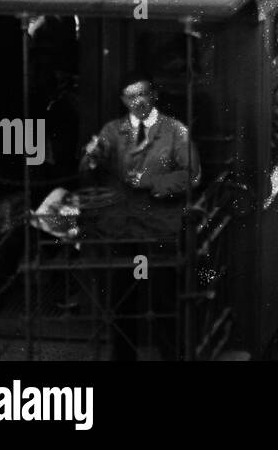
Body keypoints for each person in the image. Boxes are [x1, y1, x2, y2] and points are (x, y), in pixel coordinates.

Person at [80, 81, 201, 360]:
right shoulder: (112, 131)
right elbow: (88, 168)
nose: (138, 101)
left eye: (143, 94)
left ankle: (172, 356)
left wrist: (152, 182)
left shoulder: (175, 132)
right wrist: (90, 160)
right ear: (123, 100)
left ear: (154, 96)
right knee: (122, 301)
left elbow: (191, 174)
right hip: (123, 231)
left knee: (163, 299)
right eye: (130, 96)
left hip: (159, 230)